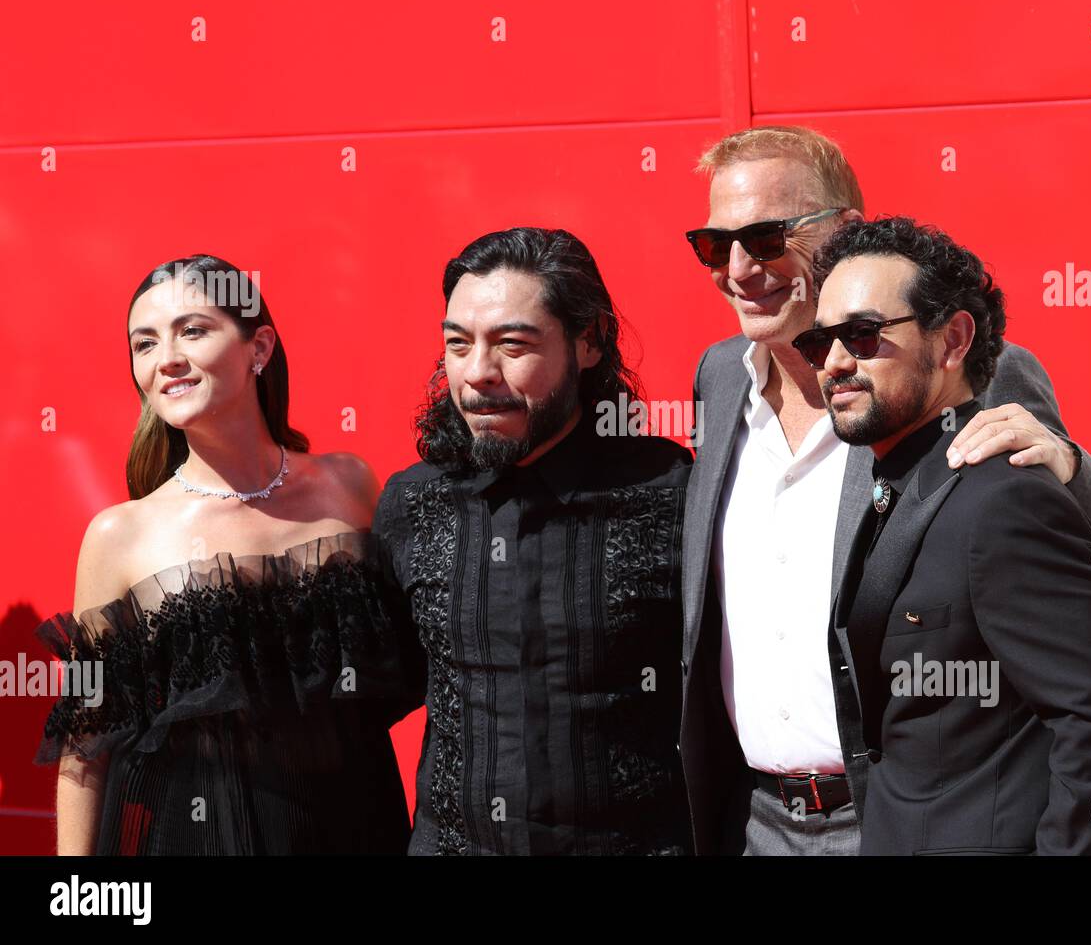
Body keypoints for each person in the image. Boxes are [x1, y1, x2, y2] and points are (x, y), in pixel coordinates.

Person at [678, 126, 1091, 854]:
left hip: (892, 818)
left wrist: (1068, 466)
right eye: (715, 246)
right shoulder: (718, 380)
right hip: (751, 821)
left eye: (767, 238)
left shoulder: (973, 375)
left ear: (844, 231)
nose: (740, 269)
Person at [35, 254, 421, 854]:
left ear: (259, 348)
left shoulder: (349, 485)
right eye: (144, 343)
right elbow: (85, 746)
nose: (166, 359)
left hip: (360, 830)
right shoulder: (119, 536)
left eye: (192, 330)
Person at [799, 215, 1091, 853]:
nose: (833, 362)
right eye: (819, 341)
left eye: (862, 333)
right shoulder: (895, 485)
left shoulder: (1003, 499)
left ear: (953, 340)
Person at [374, 227, 692, 855]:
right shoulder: (412, 503)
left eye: (512, 345)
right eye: (458, 346)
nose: (478, 374)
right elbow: (375, 693)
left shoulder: (674, 492)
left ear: (591, 341)